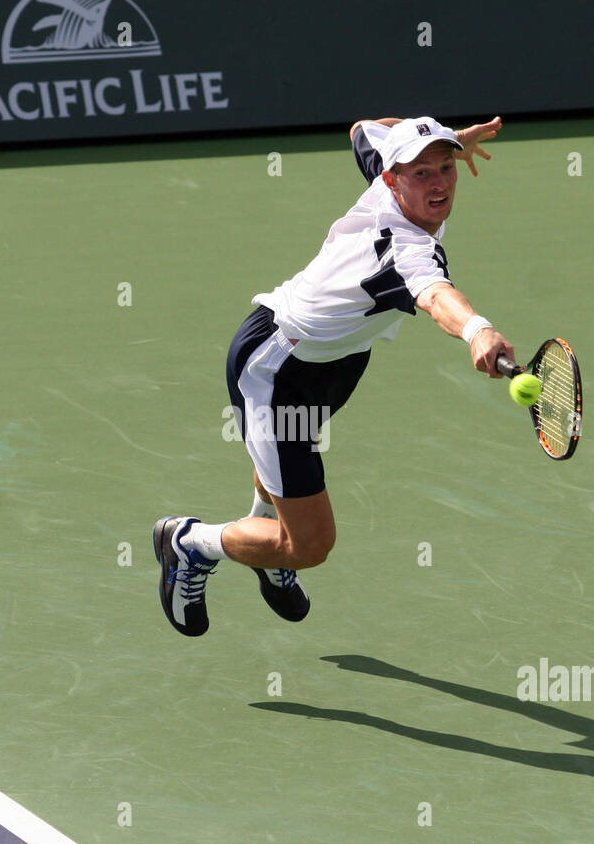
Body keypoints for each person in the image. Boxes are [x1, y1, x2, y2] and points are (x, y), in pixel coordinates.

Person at [154, 115, 514, 636]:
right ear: (392, 180)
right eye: (421, 173)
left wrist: (452, 136)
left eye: (446, 167)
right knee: (312, 545)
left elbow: (362, 128)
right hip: (277, 372)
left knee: (282, 472)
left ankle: (270, 549)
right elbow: (435, 294)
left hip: (337, 363)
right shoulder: (404, 248)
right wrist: (477, 330)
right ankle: (190, 543)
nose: (438, 183)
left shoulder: (387, 176)